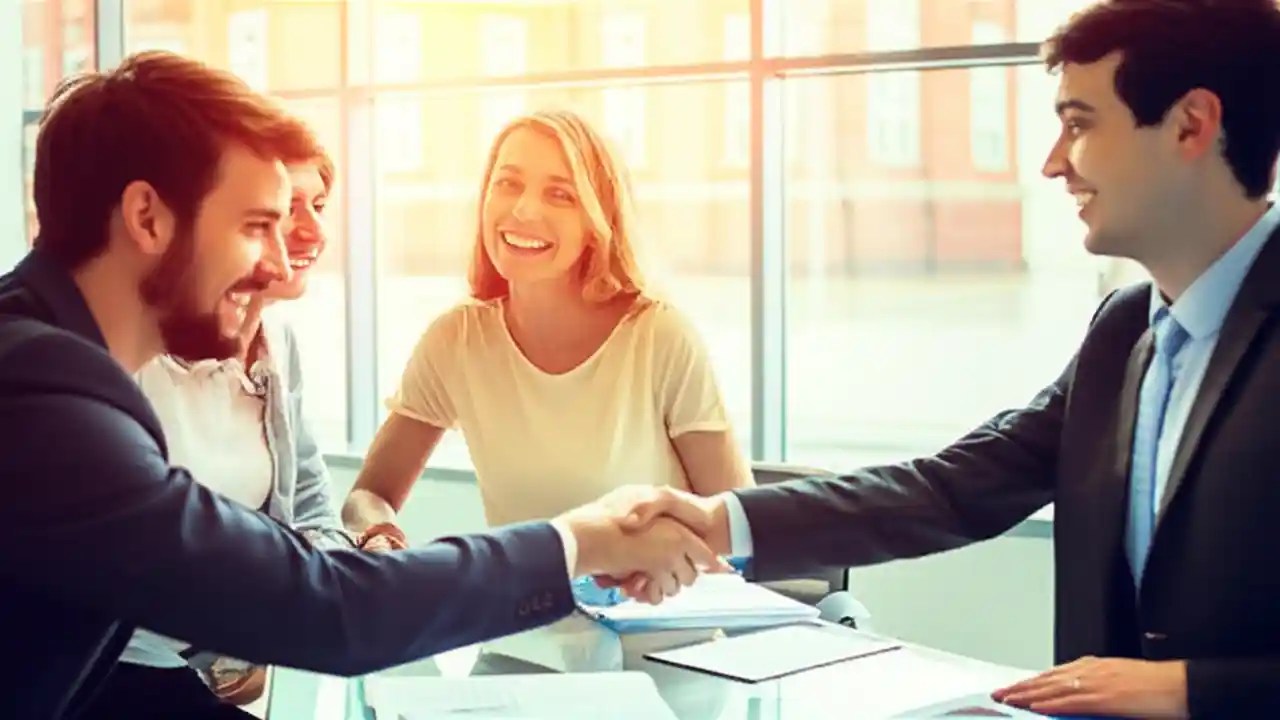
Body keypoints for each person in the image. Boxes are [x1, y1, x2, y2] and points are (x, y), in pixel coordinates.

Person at [0, 51, 719, 720]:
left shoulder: (49, 356)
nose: (280, 262)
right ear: (147, 218)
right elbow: (323, 606)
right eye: (257, 226)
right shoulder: (45, 395)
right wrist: (578, 544)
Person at [618, 1, 1280, 717]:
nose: (1053, 162)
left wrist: (1193, 690)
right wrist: (719, 521)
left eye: (1080, 124)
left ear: (1191, 125)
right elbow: (954, 488)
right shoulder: (1125, 332)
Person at [342, 109, 753, 604]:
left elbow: (742, 529)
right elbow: (369, 496)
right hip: (518, 641)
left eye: (560, 194)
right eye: (508, 184)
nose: (522, 211)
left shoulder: (659, 337)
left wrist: (686, 562)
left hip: (660, 651)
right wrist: (379, 538)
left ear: (598, 220)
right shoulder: (456, 341)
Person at [78, 152, 349, 719]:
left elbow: (310, 511)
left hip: (210, 670)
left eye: (318, 206)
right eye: (282, 210)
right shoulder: (134, 355)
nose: (312, 230)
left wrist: (352, 569)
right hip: (111, 671)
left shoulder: (278, 345)